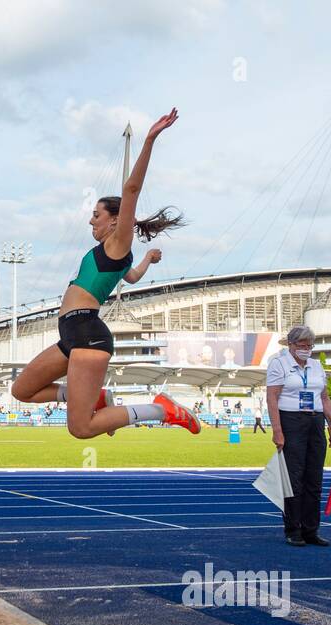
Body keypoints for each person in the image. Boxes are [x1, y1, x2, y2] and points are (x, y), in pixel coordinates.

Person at [10, 109, 199, 438]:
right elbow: (132, 279)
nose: (91, 220)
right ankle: (95, 397)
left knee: (81, 429)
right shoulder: (117, 257)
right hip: (70, 335)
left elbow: (131, 190)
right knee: (21, 391)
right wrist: (148, 262)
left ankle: (161, 410)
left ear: (115, 220)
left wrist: (150, 138)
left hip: (87, 333)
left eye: (96, 214)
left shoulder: (117, 242)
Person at [266, 325, 331, 547]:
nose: (307, 349)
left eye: (310, 346)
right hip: (291, 421)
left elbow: (325, 399)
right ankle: (293, 529)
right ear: (291, 345)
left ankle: (311, 530)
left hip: (315, 421)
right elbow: (272, 398)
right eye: (302, 345)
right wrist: (277, 431)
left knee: (314, 479)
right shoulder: (279, 364)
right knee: (294, 479)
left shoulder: (317, 366)